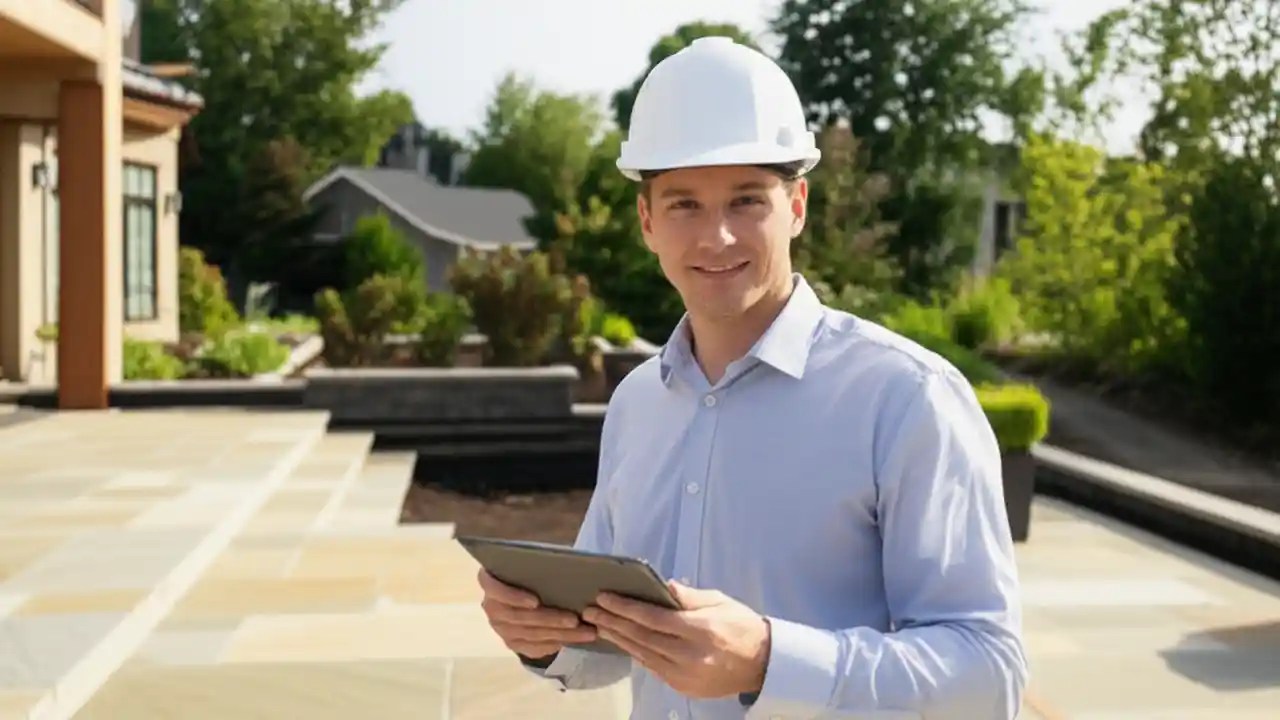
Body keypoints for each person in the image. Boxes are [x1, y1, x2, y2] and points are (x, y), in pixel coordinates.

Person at [477, 36, 1027, 719]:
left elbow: (987, 675)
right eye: (684, 205)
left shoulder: (906, 399)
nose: (717, 238)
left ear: (796, 206)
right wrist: (545, 640)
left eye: (746, 201)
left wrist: (770, 661)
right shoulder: (637, 404)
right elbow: (611, 642)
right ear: (647, 221)